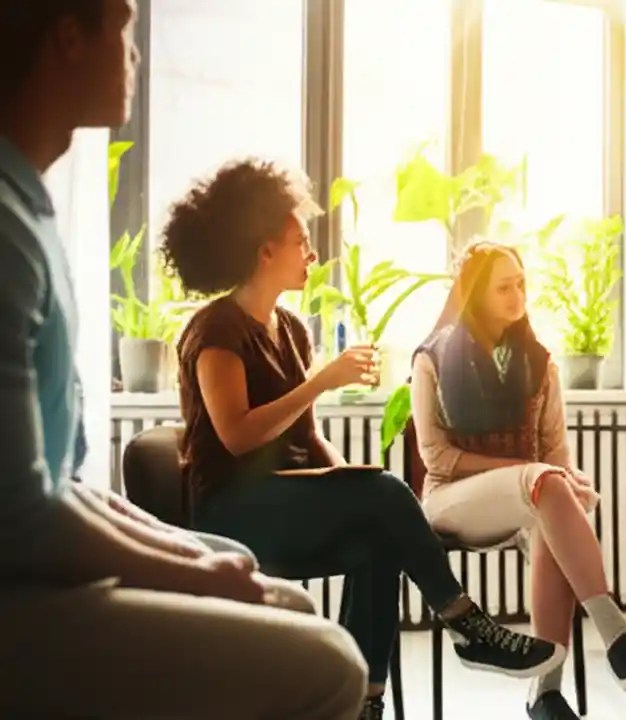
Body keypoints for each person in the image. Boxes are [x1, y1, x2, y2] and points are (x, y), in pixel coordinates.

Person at [0, 2, 370, 718]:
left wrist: (189, 557)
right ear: (67, 37)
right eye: (124, 28)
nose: (136, 52)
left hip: (36, 563)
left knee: (283, 597)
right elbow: (21, 513)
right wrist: (192, 572)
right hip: (17, 591)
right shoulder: (9, 234)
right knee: (331, 666)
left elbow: (61, 485)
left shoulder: (30, 212)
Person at [163, 159, 564, 720]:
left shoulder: (291, 329)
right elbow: (237, 436)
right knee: (383, 496)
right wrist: (322, 382)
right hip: (234, 509)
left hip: (289, 499)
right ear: (265, 252)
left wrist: (350, 479)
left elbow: (307, 436)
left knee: (380, 538)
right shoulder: (215, 332)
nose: (312, 255)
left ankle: (362, 701)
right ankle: (465, 622)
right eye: (301, 242)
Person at [410, 241, 626, 720]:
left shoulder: (540, 361)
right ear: (475, 294)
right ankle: (618, 636)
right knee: (546, 487)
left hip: (530, 493)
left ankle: (545, 693)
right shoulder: (433, 359)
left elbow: (554, 451)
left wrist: (566, 477)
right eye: (503, 287)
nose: (518, 296)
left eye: (521, 284)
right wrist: (535, 474)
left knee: (552, 500)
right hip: (451, 498)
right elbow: (437, 456)